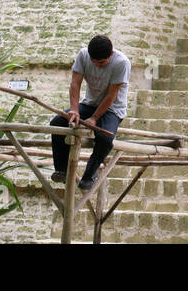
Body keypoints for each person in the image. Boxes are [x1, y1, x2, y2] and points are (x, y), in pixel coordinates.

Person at [50, 35, 130, 190]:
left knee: (105, 138)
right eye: (94, 61)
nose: (97, 65)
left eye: (101, 63)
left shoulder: (122, 63)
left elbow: (111, 96)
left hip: (112, 109)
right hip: (90, 104)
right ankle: (61, 169)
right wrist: (74, 110)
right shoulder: (83, 55)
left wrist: (94, 119)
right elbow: (75, 83)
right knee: (57, 122)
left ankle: (89, 175)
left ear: (111, 54)